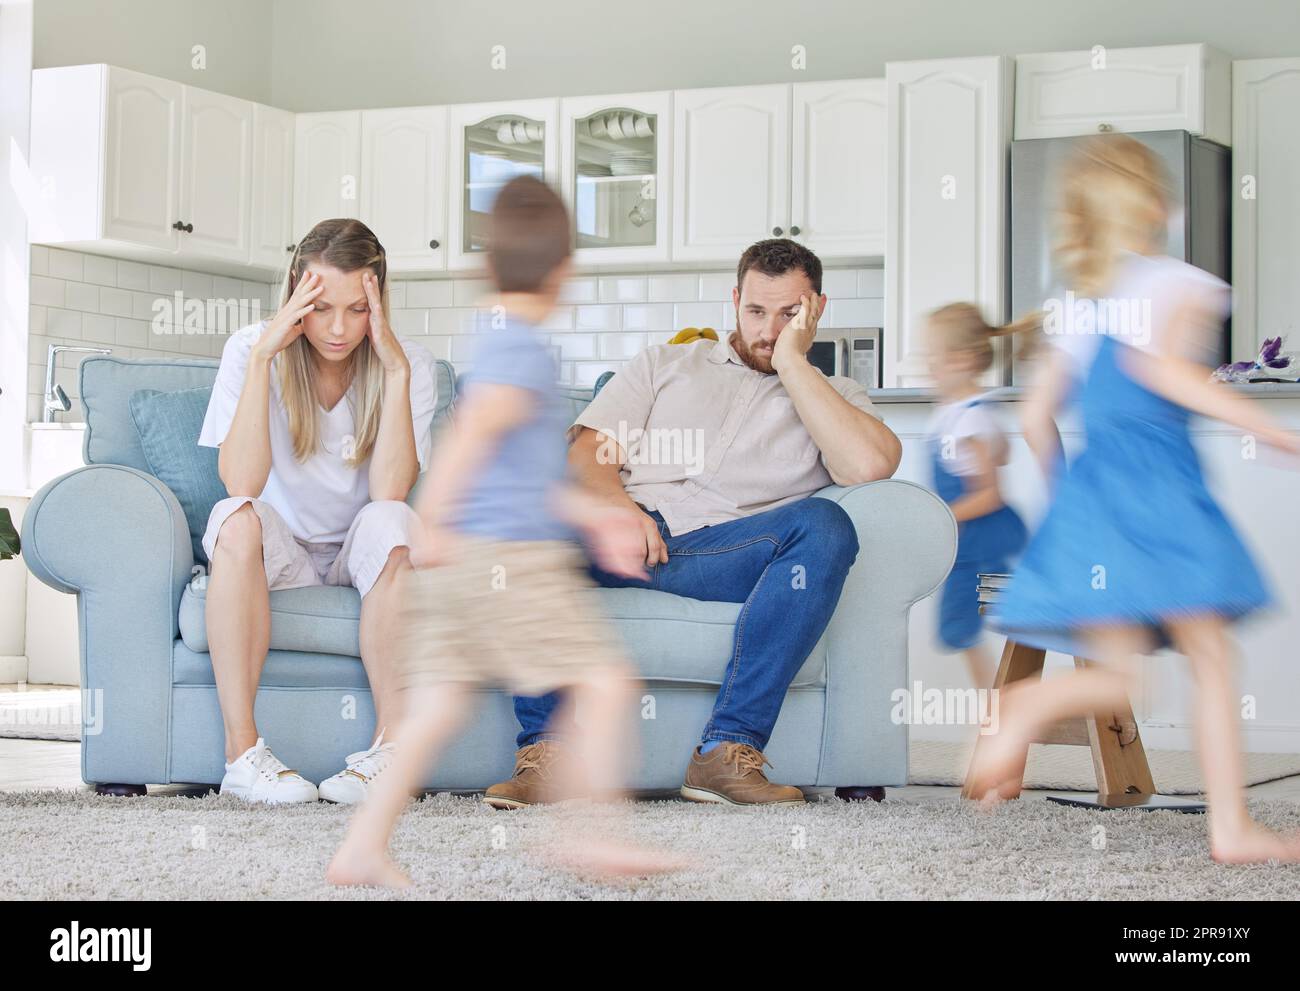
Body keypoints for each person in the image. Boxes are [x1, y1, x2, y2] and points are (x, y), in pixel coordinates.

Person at [327, 176, 681, 887]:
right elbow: (475, 433)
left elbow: (522, 476)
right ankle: (593, 834)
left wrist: (593, 516)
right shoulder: (523, 350)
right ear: (565, 272)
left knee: (436, 707)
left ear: (486, 267)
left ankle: (362, 845)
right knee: (608, 680)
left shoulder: (490, 337)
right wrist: (435, 514)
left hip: (472, 557)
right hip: (513, 561)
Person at [971, 134, 1300, 864]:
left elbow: (1033, 419)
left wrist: (1071, 505)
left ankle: (1024, 707)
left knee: (1120, 674)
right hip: (1159, 496)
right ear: (1158, 206)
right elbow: (1166, 375)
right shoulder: (1178, 282)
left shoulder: (1079, 309)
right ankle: (1231, 829)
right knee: (1208, 657)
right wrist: (1265, 428)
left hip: (1097, 500)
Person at [488, 238, 903, 809]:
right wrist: (619, 509)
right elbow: (588, 456)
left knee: (827, 525)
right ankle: (550, 757)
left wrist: (792, 362)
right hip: (622, 536)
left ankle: (725, 755)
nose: (768, 329)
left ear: (815, 312)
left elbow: (869, 466)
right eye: (756, 311)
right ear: (735, 300)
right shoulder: (666, 364)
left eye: (788, 315)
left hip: (723, 554)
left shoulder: (836, 396)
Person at [198, 219, 437, 805]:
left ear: (378, 301)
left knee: (393, 520)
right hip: (284, 556)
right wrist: (261, 360)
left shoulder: (411, 365)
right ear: (294, 295)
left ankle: (390, 751)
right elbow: (242, 480)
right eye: (321, 307)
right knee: (236, 515)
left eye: (357, 310)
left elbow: (389, 490)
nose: (337, 329)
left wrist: (397, 371)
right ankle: (243, 755)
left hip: (361, 554)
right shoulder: (251, 349)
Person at [923, 303, 1031, 687]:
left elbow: (989, 495)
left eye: (936, 357)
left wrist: (941, 517)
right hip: (969, 542)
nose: (928, 365)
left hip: (984, 544)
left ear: (964, 360)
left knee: (975, 628)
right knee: (969, 632)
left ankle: (1001, 716)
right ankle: (1000, 714)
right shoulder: (958, 412)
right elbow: (1003, 453)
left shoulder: (971, 418)